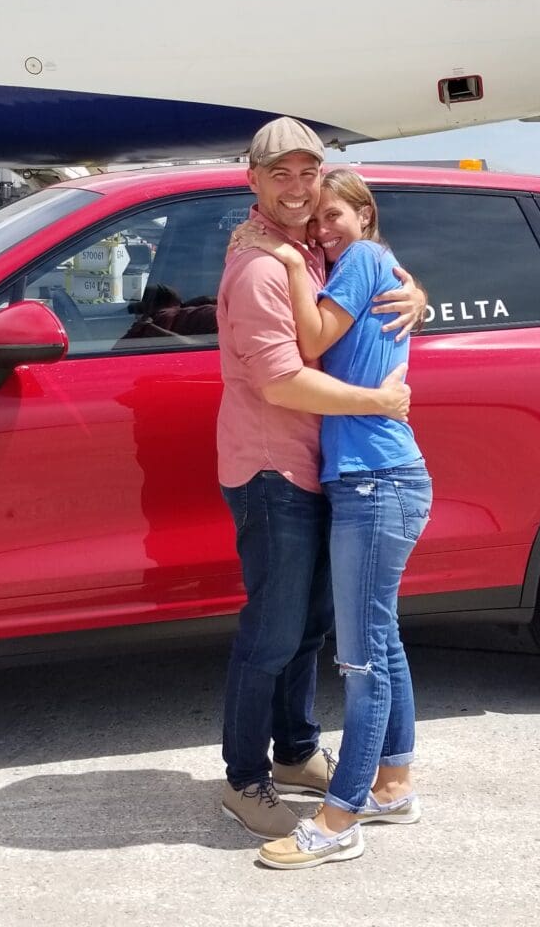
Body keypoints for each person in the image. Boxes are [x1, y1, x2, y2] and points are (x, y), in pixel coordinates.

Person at [216, 117, 427, 842]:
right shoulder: (261, 264)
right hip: (275, 466)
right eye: (282, 174)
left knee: (308, 628)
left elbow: (375, 267)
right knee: (272, 634)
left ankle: (298, 750)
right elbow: (281, 380)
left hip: (321, 467)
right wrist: (377, 400)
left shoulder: (309, 247)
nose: (300, 186)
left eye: (310, 173)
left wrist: (416, 291)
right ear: (254, 180)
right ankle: (245, 778)